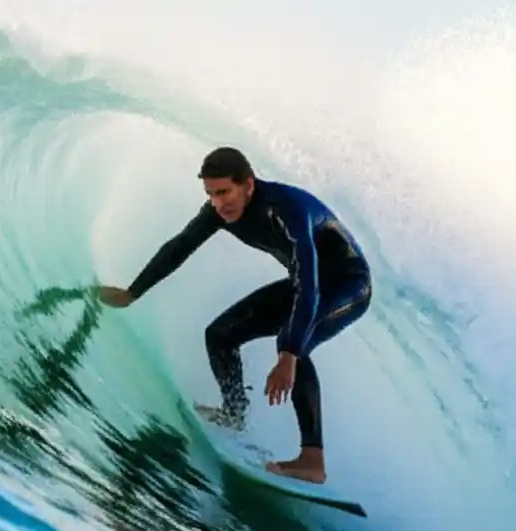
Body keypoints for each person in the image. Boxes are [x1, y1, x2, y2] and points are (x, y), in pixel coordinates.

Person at [97, 147, 372, 484]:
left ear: (249, 186)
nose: (218, 203)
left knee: (293, 345)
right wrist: (131, 293)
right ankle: (234, 414)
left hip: (349, 285)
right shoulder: (218, 213)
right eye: (211, 194)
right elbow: (180, 246)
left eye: (224, 192)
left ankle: (312, 460)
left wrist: (289, 355)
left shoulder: (286, 211)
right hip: (307, 283)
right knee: (220, 335)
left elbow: (310, 287)